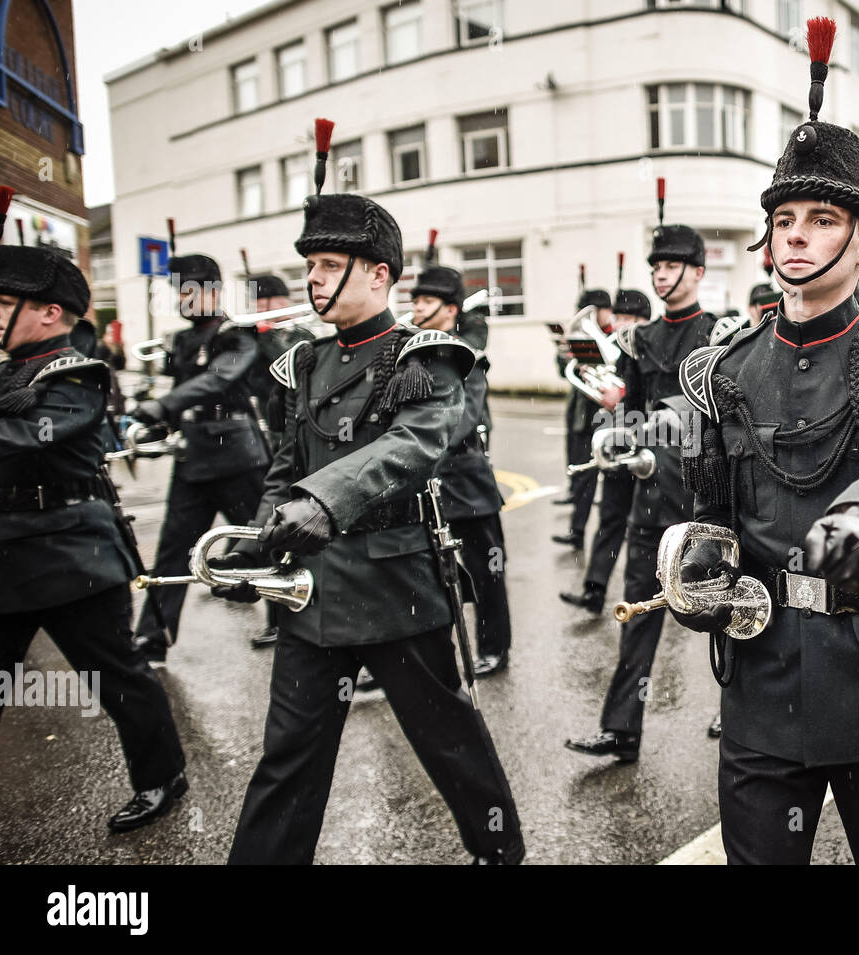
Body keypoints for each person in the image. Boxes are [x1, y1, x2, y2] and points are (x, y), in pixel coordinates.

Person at [673, 17, 859, 864]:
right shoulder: (721, 367)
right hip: (760, 683)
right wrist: (692, 563)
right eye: (785, 218)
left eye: (822, 217)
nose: (796, 234)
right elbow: (704, 502)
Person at [214, 121, 523, 864]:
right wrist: (257, 541)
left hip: (395, 585)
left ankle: (500, 852)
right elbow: (283, 468)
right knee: (287, 758)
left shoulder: (424, 358)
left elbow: (412, 447)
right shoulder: (306, 363)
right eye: (310, 266)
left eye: (329, 265)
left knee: (448, 739)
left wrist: (322, 502)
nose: (313, 281)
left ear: (380, 274)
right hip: (310, 594)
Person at [0, 214, 188, 833]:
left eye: (3, 303)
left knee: (116, 678)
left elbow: (24, 435)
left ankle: (162, 775)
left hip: (72, 556)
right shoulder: (5, 374)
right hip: (6, 554)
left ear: (51, 313)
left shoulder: (76, 373)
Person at [564, 178, 718, 762]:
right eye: (657, 265)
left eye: (674, 265)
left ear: (698, 273)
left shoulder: (721, 335)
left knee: (726, 614)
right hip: (649, 498)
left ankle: (741, 714)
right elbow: (627, 409)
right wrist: (613, 411)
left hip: (706, 500)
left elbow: (721, 420)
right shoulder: (638, 338)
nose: (661, 275)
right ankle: (623, 730)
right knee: (636, 617)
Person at [130, 231, 269, 664]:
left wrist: (163, 405)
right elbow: (184, 390)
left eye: (189, 290)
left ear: (213, 290)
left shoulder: (237, 334)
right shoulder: (183, 341)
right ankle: (151, 637)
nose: (181, 300)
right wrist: (155, 419)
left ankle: (290, 625)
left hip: (237, 457)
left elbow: (219, 379)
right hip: (194, 459)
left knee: (265, 542)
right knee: (173, 549)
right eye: (178, 291)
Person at [411, 259, 513, 678]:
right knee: (424, 576)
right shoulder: (411, 352)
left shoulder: (467, 356)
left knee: (486, 573)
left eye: (427, 302)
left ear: (450, 310)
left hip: (464, 481)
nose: (416, 309)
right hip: (423, 482)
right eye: (415, 301)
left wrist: (412, 437)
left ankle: (494, 648)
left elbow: (462, 421)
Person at [559, 287, 652, 614]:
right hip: (615, 445)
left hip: (648, 451)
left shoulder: (652, 348)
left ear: (644, 320)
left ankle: (655, 596)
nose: (624, 323)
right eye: (620, 316)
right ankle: (594, 590)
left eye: (631, 317)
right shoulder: (612, 347)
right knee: (610, 518)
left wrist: (622, 395)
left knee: (650, 527)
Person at [243, 270, 313, 650]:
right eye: (258, 303)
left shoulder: (300, 336)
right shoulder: (250, 337)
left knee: (284, 531)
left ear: (285, 303)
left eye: (269, 302)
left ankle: (283, 616)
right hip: (263, 441)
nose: (262, 309)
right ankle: (274, 613)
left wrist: (267, 332)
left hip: (293, 443)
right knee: (266, 529)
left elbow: (281, 363)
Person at [553, 287, 614, 547]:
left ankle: (588, 535)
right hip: (579, 414)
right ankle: (576, 531)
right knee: (580, 475)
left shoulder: (614, 338)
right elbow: (563, 371)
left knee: (600, 481)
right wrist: (565, 353)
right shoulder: (582, 337)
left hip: (603, 418)